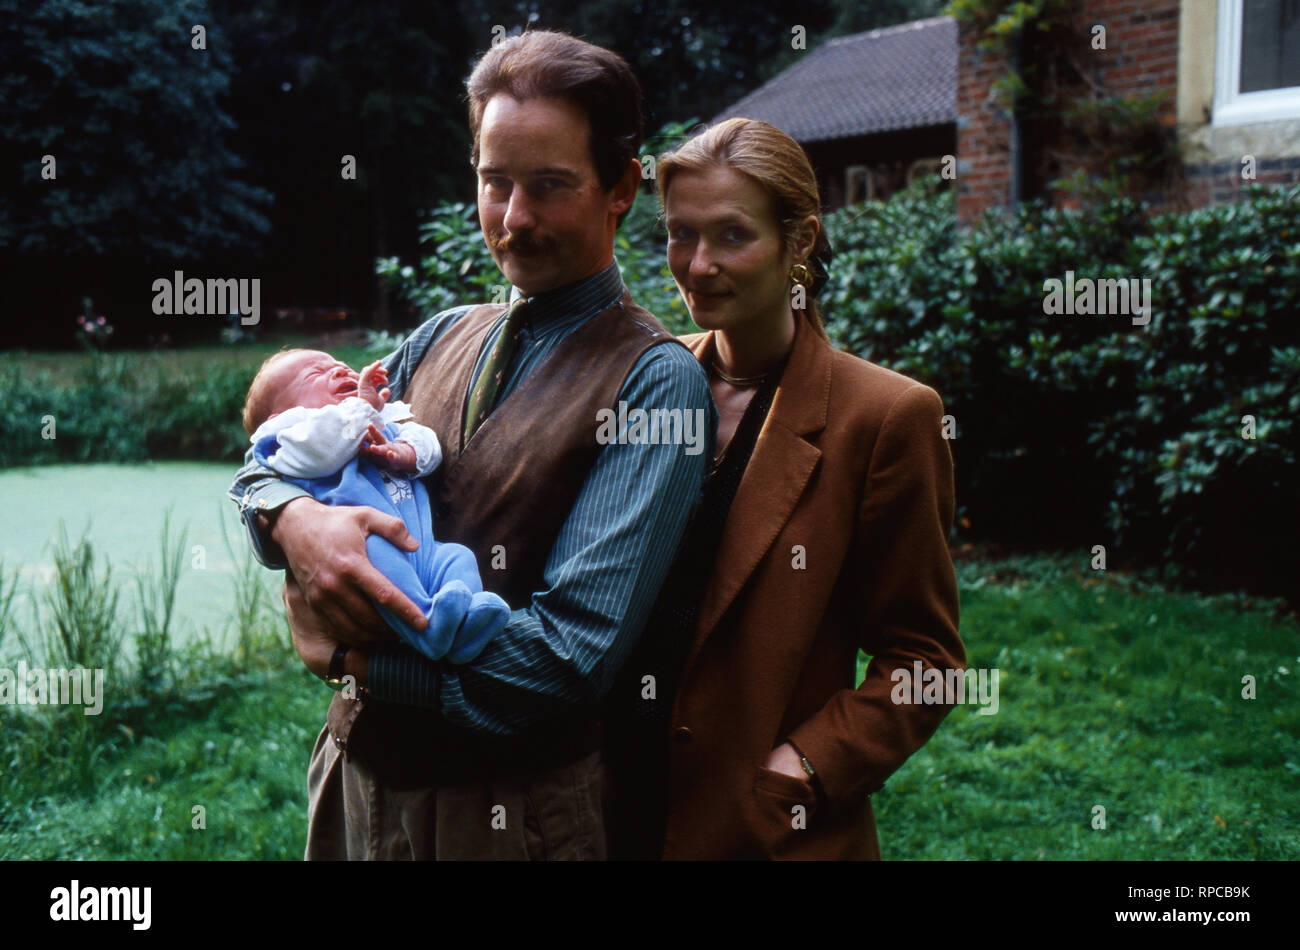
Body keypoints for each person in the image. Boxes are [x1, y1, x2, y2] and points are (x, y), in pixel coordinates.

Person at [227, 31, 714, 860]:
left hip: (510, 816)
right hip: (353, 788)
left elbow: (567, 661)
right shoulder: (441, 334)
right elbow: (284, 444)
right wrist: (283, 518)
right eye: (496, 183)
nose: (514, 218)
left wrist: (358, 662)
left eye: (550, 186)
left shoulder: (655, 385)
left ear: (622, 186)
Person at [603, 117, 967, 860]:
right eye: (680, 234)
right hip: (605, 808)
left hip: (757, 833)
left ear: (799, 243)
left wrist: (804, 768)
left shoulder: (887, 417)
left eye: (732, 236)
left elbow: (926, 662)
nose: (697, 265)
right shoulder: (641, 381)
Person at [243, 349, 509, 664]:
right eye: (316, 372)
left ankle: (467, 618)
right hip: (365, 543)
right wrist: (363, 406)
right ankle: (428, 629)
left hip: (421, 544)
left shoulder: (380, 416)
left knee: (457, 557)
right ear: (279, 416)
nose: (339, 369)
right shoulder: (294, 437)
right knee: (391, 578)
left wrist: (409, 452)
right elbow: (324, 449)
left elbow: (428, 443)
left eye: (340, 363)